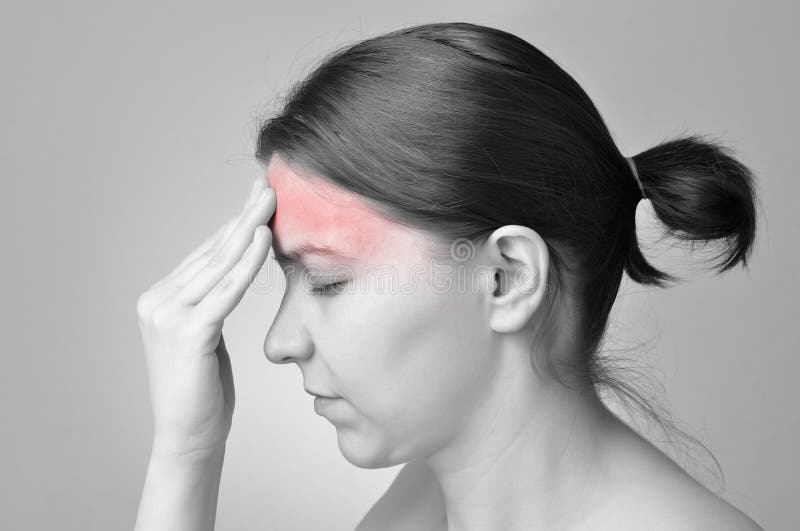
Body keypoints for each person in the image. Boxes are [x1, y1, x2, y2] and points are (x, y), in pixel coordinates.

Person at [134, 22, 765, 530]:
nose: (278, 343)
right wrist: (187, 450)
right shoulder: (419, 508)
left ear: (506, 279)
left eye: (326, 281)